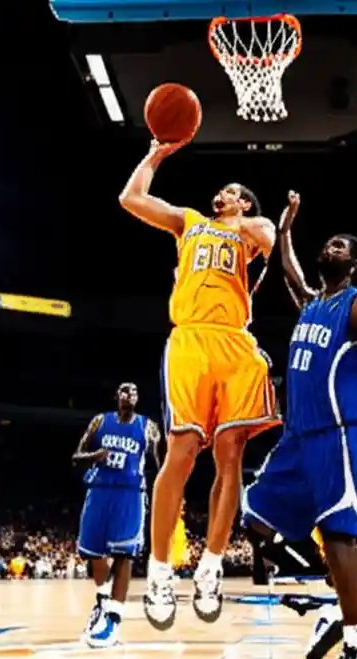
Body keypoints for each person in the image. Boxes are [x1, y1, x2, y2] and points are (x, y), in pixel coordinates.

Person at [242, 191, 357, 659]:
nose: (331, 247)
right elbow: (289, 271)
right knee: (256, 514)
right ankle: (327, 603)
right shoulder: (314, 303)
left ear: (352, 263)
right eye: (329, 243)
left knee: (338, 533)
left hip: (338, 429)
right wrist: (287, 227)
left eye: (340, 246)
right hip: (297, 435)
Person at [119, 138, 280, 628]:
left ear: (244, 202)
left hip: (235, 341)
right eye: (221, 191)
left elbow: (273, 236)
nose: (221, 194)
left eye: (230, 191)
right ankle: (161, 569)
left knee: (230, 453)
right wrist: (155, 155)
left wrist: (241, 220)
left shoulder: (252, 230)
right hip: (189, 340)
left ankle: (211, 567)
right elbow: (131, 199)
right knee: (183, 449)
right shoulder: (188, 222)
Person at [72, 382, 163, 647]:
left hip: (130, 494)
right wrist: (94, 456)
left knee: (125, 555)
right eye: (124, 391)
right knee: (91, 552)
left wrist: (163, 495)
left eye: (134, 391)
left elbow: (160, 464)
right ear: (117, 396)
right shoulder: (100, 421)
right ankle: (102, 600)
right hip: (99, 491)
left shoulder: (148, 427)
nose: (129, 395)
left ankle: (113, 620)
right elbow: (76, 456)